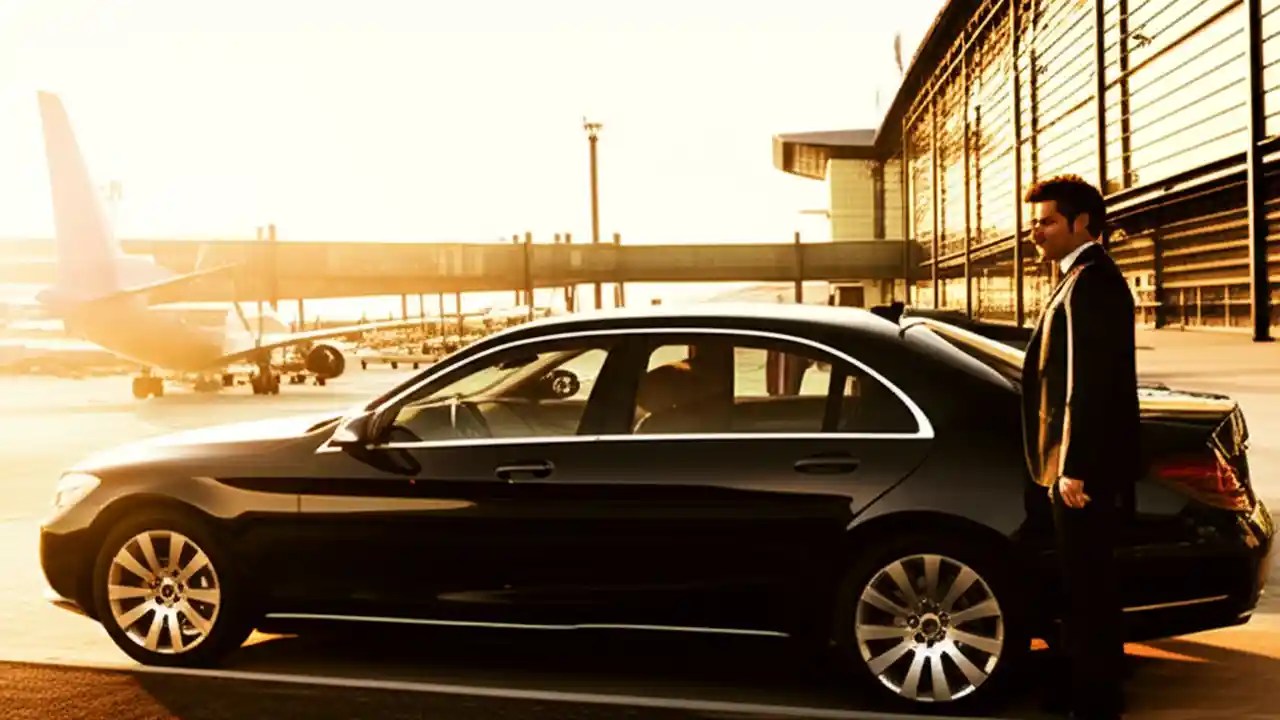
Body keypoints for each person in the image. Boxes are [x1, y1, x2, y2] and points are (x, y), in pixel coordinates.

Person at [1020, 174, 1140, 719]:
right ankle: (1089, 689)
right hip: (1075, 464)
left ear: (1082, 223)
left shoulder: (1091, 282)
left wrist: (1074, 466)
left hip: (1081, 470)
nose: (1035, 232)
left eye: (1046, 222)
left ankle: (1096, 702)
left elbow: (1085, 383)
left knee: (1089, 587)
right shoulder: (1078, 278)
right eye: (1035, 223)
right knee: (1085, 584)